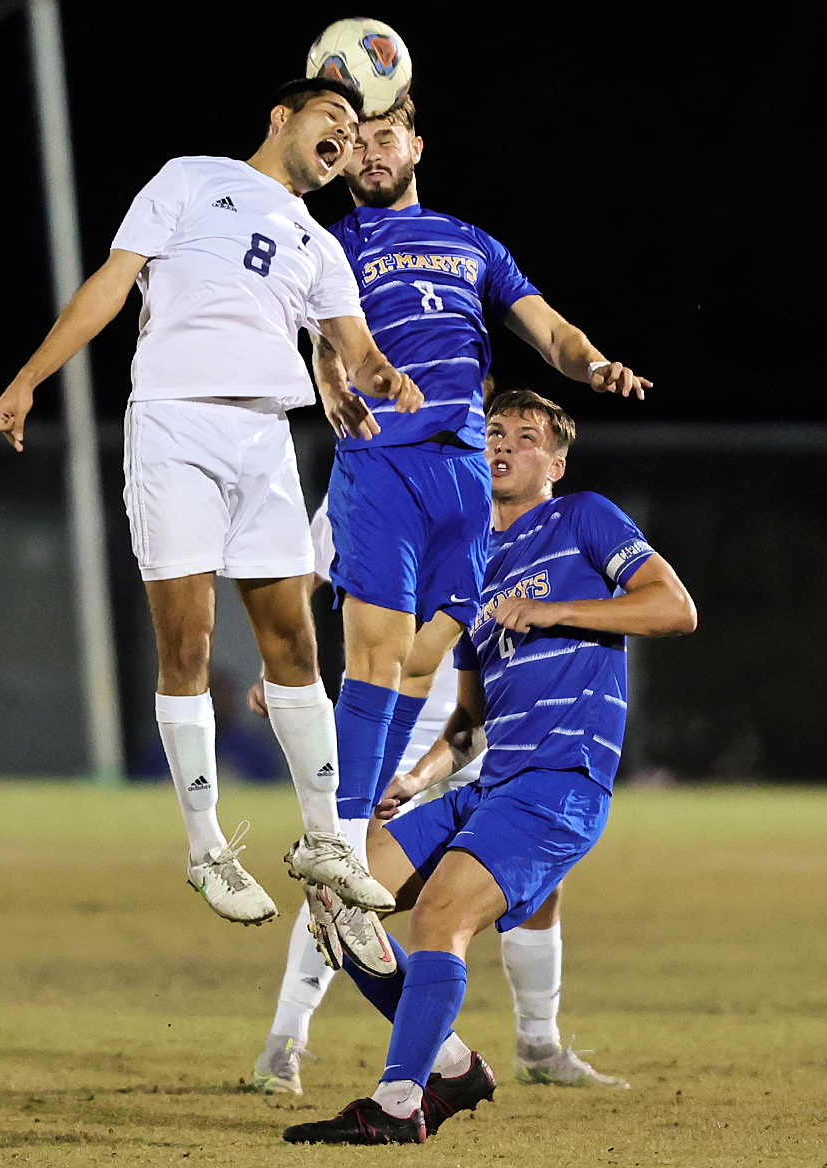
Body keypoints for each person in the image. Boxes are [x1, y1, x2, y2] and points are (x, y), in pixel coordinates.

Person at [0, 77, 423, 927]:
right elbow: (113, 284)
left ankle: (324, 841)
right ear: (281, 118)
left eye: (353, 125)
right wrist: (30, 377)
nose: (343, 134)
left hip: (262, 438)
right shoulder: (190, 178)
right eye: (330, 118)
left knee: (295, 643)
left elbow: (356, 349)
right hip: (174, 426)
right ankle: (205, 849)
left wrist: (384, 378)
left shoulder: (319, 245)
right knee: (188, 641)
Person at [282, 390, 698, 1144]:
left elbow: (674, 607)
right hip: (487, 785)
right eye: (495, 432)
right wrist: (419, 778)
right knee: (337, 897)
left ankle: (400, 1105)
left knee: (441, 914)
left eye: (527, 437)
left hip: (561, 784)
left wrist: (554, 610)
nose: (505, 445)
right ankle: (451, 1065)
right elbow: (471, 723)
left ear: (556, 462)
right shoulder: (472, 560)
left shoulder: (583, 519)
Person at [303, 98, 653, 981]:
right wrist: (333, 381)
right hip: (385, 457)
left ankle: (356, 834)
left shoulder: (473, 243)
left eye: (388, 138)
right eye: (357, 146)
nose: (373, 154)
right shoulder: (334, 245)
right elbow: (319, 335)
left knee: (426, 658)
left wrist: (593, 361)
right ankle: (343, 835)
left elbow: (550, 332)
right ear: (339, 163)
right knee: (379, 653)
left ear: (416, 145)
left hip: (458, 473)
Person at [250, 497, 630, 1094]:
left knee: (530, 881)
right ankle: (289, 1038)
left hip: (493, 740)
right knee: (346, 879)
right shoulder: (373, 468)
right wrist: (288, 670)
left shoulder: (510, 518)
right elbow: (311, 574)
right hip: (392, 718)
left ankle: (535, 1041)